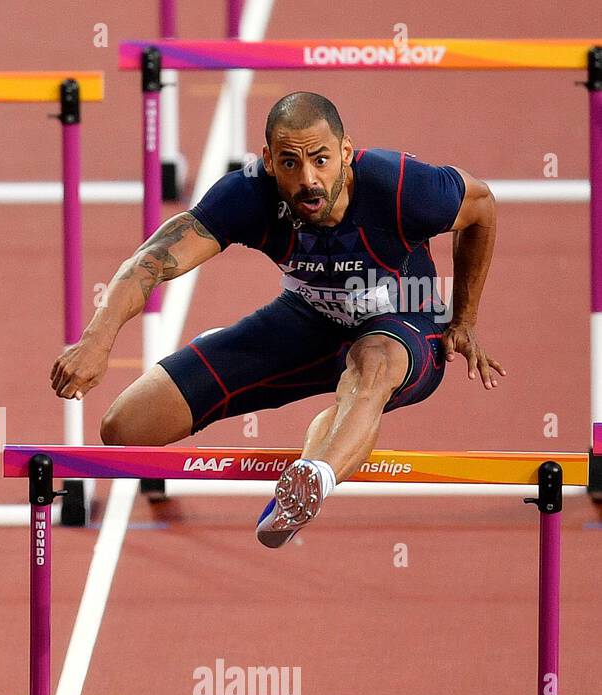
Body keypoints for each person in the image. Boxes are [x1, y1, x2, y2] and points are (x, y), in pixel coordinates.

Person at [50, 92, 501, 547]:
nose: (308, 180)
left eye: (321, 160)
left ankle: (312, 480)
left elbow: (482, 207)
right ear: (268, 160)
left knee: (371, 367)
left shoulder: (402, 186)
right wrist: (97, 340)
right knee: (126, 429)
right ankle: (296, 435)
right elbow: (151, 261)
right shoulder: (248, 194)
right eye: (290, 163)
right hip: (307, 319)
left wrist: (464, 317)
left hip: (404, 324)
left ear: (346, 151)